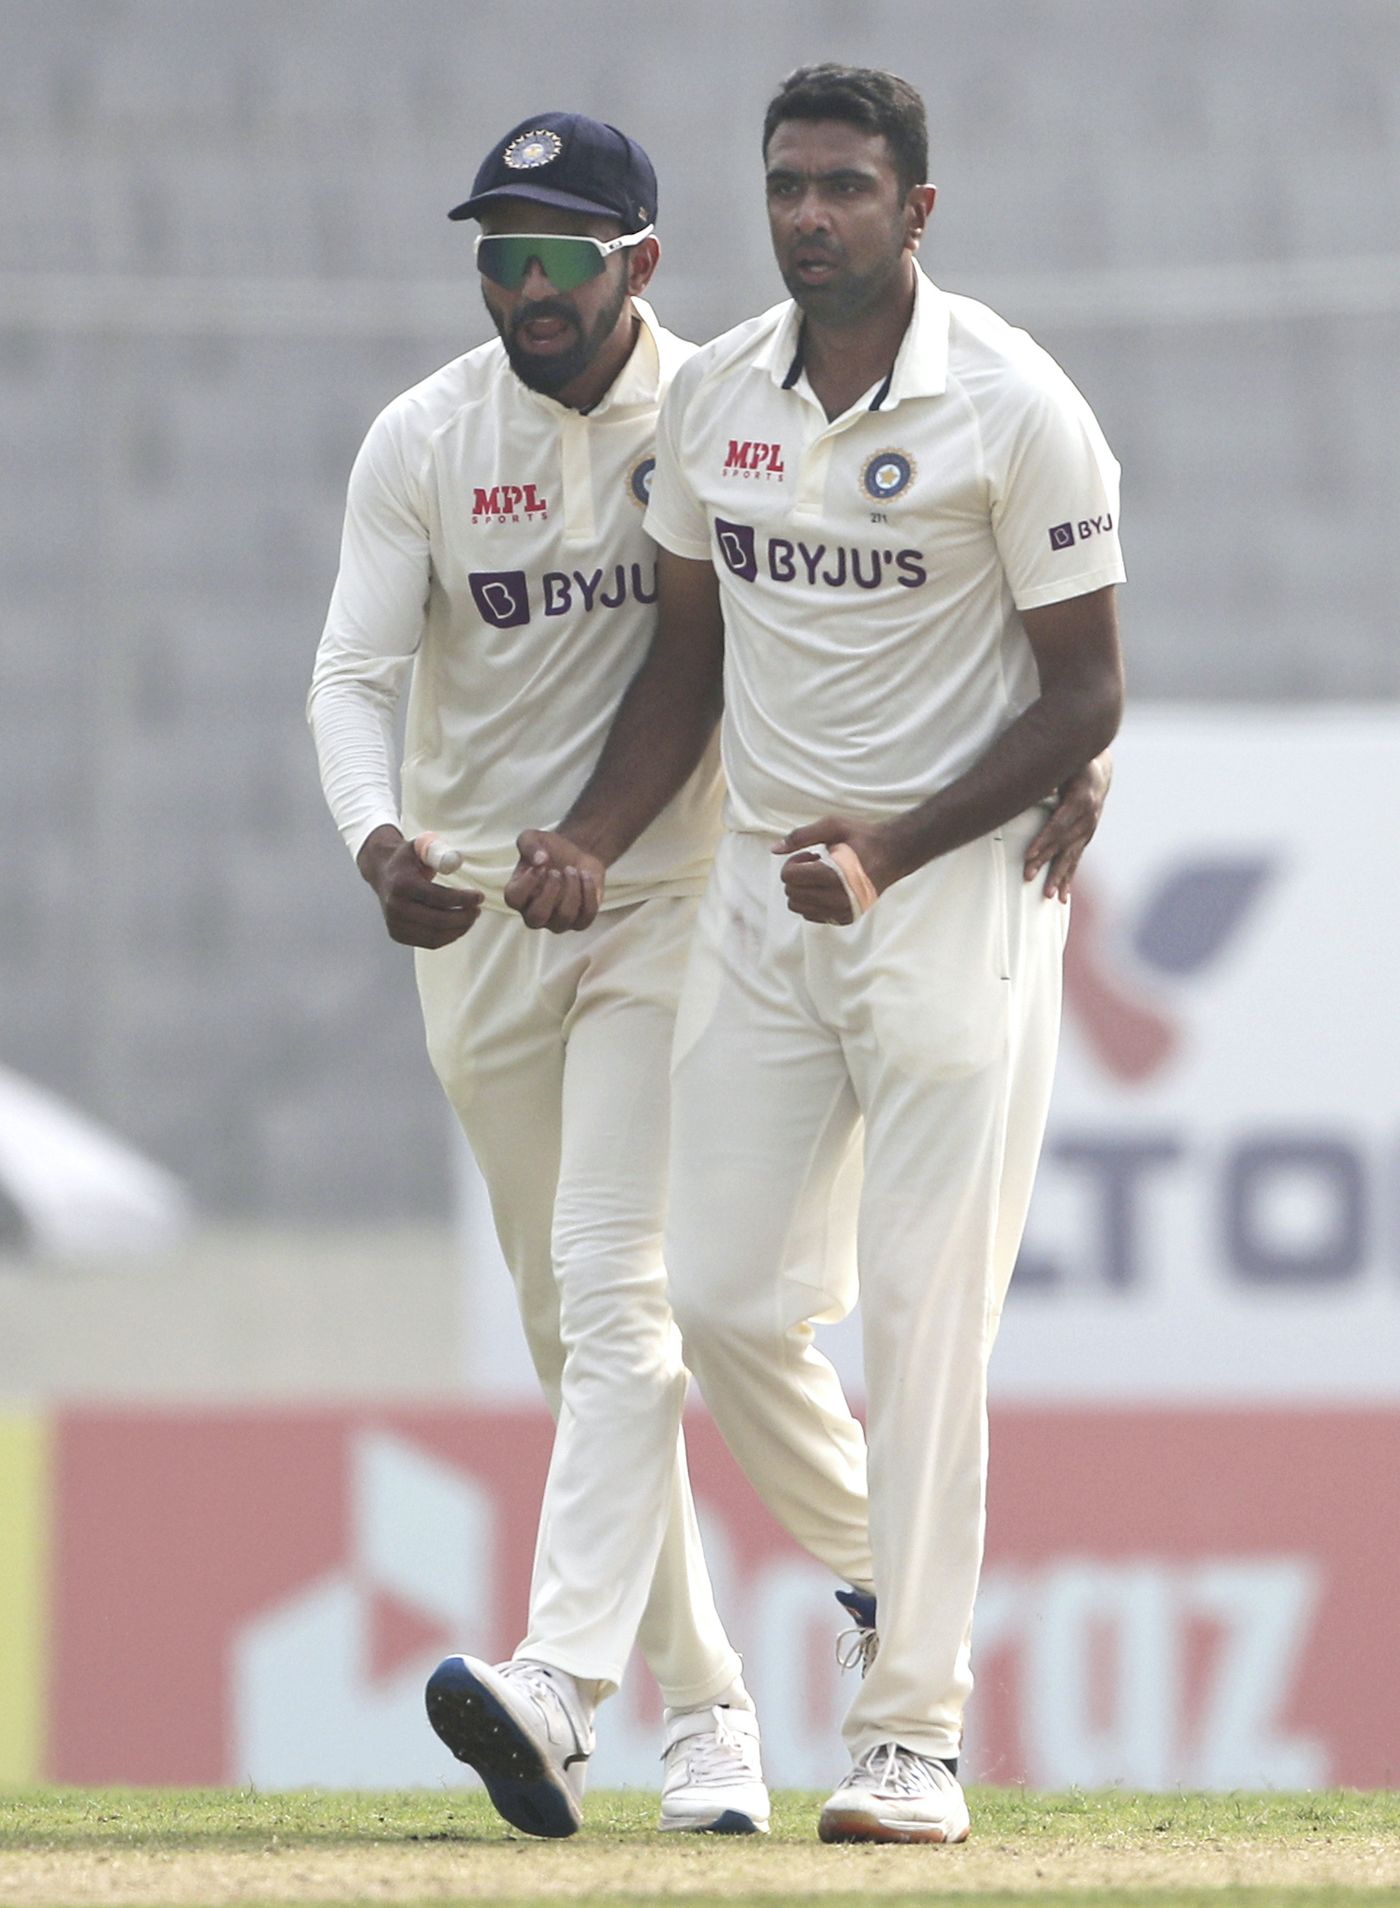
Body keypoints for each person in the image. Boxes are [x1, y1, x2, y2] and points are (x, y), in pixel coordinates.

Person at [505, 65, 1126, 1847]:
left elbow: (1085, 693)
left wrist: (898, 846)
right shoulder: (712, 401)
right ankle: (887, 1571)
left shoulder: (1017, 406)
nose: (810, 218)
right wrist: (596, 840)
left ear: (915, 211)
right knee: (713, 1299)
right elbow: (685, 667)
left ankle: (910, 1737)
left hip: (947, 904)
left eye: (846, 189)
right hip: (769, 910)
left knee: (931, 1321)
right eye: (786, 188)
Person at [308, 112, 773, 1841]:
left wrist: (600, 835)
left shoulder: (722, 413)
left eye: (557, 253)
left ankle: (557, 1679)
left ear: (638, 264)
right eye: (496, 252)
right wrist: (376, 843)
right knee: (570, 1331)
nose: (522, 285)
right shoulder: (426, 436)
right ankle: (713, 1711)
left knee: (615, 1284)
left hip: (666, 904)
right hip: (479, 923)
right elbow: (351, 678)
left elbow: (722, 658)